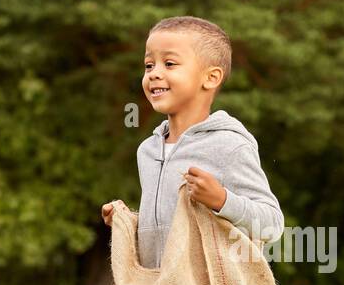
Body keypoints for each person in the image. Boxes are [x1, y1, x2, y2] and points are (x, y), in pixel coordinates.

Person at [100, 16, 284, 265]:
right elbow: (164, 230)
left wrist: (222, 200)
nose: (154, 74)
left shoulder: (229, 146)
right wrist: (126, 222)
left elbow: (272, 224)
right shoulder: (148, 151)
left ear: (211, 78)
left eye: (169, 64)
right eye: (149, 65)